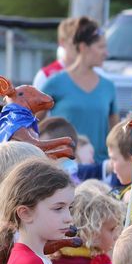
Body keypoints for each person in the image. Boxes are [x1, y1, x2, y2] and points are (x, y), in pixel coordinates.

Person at [40, 17, 117, 162]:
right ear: (83, 47)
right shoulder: (54, 83)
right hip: (64, 167)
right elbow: (33, 126)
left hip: (98, 169)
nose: (106, 53)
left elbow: (116, 136)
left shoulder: (108, 86)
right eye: (101, 47)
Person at [32, 18, 80, 91]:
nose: (80, 47)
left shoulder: (97, 73)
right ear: (62, 42)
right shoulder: (45, 76)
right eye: (75, 42)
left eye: (85, 42)